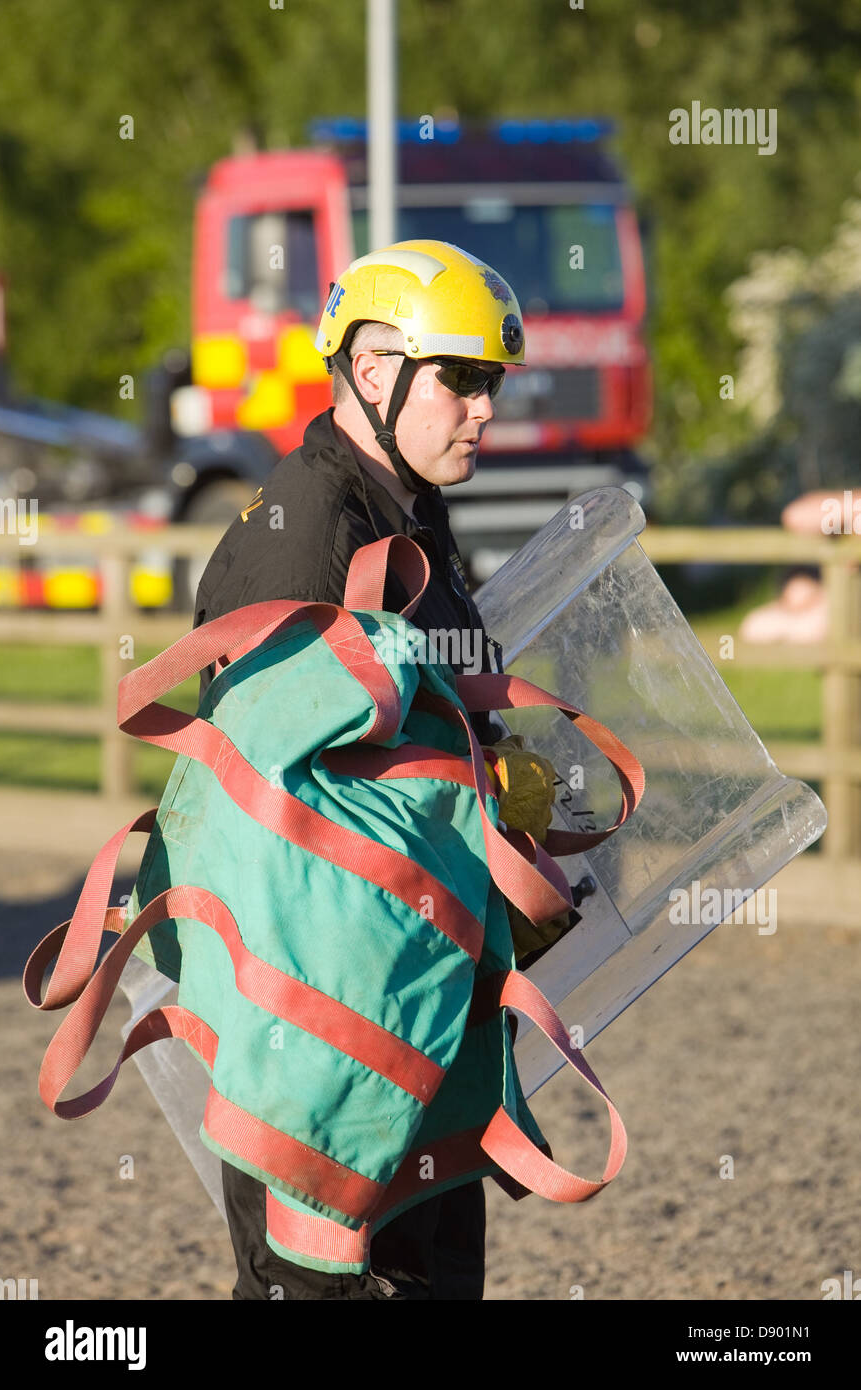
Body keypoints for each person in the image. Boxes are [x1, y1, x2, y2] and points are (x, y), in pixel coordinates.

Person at [191, 239, 539, 1301]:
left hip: (412, 1012)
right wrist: (475, 794)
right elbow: (276, 827)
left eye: (493, 384)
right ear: (377, 371)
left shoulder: (406, 510)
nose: (485, 409)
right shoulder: (307, 542)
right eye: (462, 380)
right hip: (328, 1040)